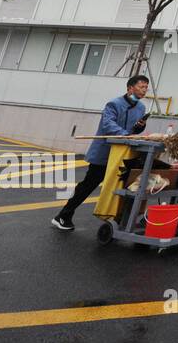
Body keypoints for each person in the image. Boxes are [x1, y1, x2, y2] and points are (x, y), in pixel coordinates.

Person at [51, 75, 150, 231]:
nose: (145, 90)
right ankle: (63, 215)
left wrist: (140, 127)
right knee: (88, 186)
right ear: (130, 88)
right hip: (104, 153)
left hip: (125, 154)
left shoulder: (141, 108)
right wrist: (125, 134)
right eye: (142, 87)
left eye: (146, 87)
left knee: (125, 187)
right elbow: (108, 124)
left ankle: (120, 221)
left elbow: (134, 130)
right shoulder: (114, 104)